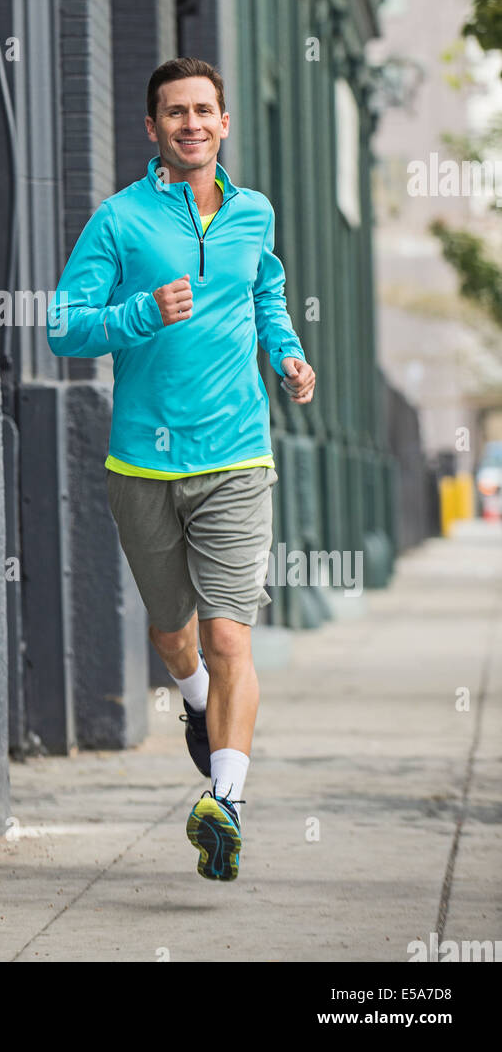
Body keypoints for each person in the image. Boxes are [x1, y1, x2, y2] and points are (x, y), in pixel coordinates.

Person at [46, 57, 316, 882]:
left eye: (204, 110)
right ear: (151, 128)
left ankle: (223, 803)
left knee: (230, 631)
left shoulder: (254, 214)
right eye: (174, 112)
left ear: (223, 123)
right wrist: (136, 312)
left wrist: (288, 354)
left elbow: (265, 295)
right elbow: (63, 328)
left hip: (236, 453)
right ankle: (196, 704)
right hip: (142, 462)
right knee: (173, 637)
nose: (191, 123)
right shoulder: (120, 221)